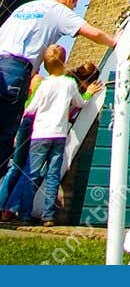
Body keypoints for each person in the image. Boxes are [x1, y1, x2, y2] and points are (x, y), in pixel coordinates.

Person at [0, 0, 116, 175]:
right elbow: (93, 33)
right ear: (70, 0)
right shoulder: (59, 11)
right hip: (16, 69)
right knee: (4, 133)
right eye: (74, 6)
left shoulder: (25, 7)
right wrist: (114, 40)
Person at [0, 57, 101, 225]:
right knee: (27, 170)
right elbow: (79, 103)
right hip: (40, 128)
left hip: (41, 128)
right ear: (86, 81)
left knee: (29, 171)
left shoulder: (58, 82)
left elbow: (34, 106)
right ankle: (12, 209)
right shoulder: (69, 85)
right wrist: (88, 93)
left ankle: (15, 211)